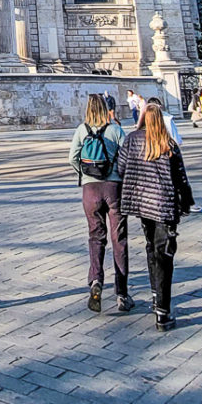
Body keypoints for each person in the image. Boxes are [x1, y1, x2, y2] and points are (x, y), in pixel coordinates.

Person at [117, 103, 195, 331]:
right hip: (164, 205)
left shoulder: (132, 139)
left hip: (143, 204)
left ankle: (155, 296)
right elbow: (181, 177)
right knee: (165, 254)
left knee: (152, 247)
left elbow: (121, 168)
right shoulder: (168, 143)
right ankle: (163, 309)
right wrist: (188, 202)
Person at [69, 93, 133, 314]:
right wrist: (118, 174)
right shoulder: (115, 130)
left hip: (90, 190)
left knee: (96, 237)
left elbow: (72, 158)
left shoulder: (82, 130)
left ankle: (96, 281)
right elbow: (127, 157)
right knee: (119, 239)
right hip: (113, 188)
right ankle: (122, 293)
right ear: (106, 108)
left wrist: (85, 174)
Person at [145, 96, 202, 214]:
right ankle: (187, 204)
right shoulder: (166, 118)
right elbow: (176, 139)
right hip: (169, 150)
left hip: (152, 151)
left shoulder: (145, 120)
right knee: (179, 178)